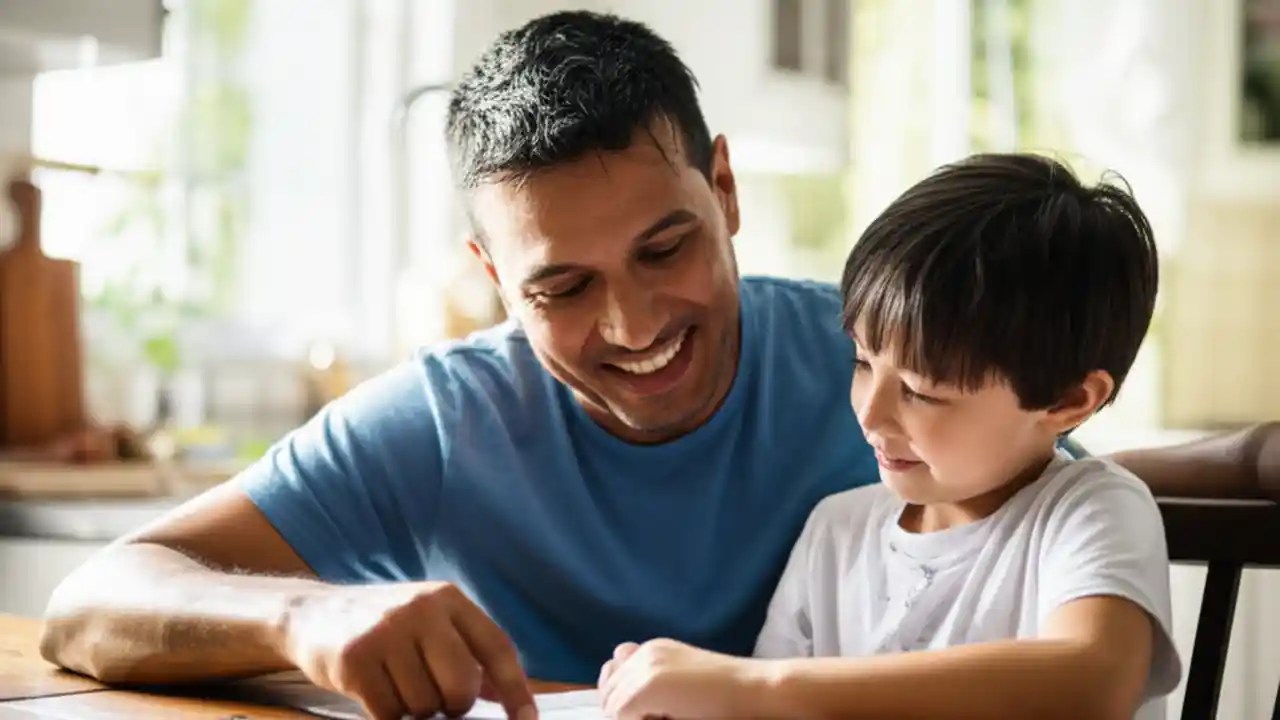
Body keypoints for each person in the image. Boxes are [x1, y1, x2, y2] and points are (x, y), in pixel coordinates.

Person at [37, 10, 1277, 720]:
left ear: (724, 189)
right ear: (487, 272)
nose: (632, 325)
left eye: (665, 246)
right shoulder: (444, 421)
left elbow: (1043, 490)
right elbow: (94, 604)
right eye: (560, 288)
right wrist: (307, 614)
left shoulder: (874, 357)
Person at [597, 153, 1181, 720]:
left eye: (921, 392)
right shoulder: (837, 531)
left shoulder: (1092, 510)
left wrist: (751, 686)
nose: (870, 414)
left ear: (1069, 400)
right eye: (861, 362)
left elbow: (1090, 685)